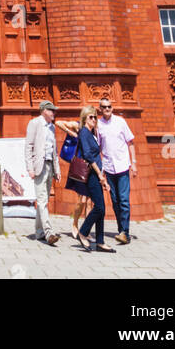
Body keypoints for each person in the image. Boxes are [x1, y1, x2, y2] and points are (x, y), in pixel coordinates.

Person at [74, 106, 115, 252]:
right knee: (99, 207)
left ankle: (100, 242)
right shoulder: (84, 132)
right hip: (92, 174)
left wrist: (102, 176)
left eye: (95, 117)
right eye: (91, 117)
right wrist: (99, 175)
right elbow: (88, 155)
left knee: (101, 209)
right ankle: (83, 232)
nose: (94, 119)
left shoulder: (92, 134)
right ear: (84, 118)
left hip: (97, 173)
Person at [96, 96, 137, 244]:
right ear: (100, 109)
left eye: (109, 107)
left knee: (124, 200)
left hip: (122, 165)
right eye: (104, 107)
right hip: (108, 167)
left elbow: (130, 142)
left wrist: (134, 163)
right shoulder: (99, 125)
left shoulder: (120, 122)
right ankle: (121, 229)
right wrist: (100, 168)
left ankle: (125, 232)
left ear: (112, 108)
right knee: (115, 201)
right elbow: (99, 147)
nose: (107, 109)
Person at [24, 99, 62, 245]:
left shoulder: (52, 127)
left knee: (43, 200)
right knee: (42, 200)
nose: (54, 113)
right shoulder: (34, 123)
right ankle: (48, 232)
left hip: (49, 165)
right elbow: (28, 146)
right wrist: (30, 168)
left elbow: (54, 150)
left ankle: (39, 232)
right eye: (51, 110)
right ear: (44, 111)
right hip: (39, 166)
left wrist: (57, 169)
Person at [55, 114, 88, 239]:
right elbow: (58, 123)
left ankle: (86, 230)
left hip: (91, 165)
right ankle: (75, 224)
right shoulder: (77, 126)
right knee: (82, 199)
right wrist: (72, 133)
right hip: (80, 165)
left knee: (89, 202)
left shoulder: (94, 129)